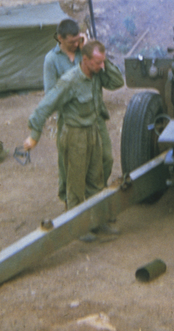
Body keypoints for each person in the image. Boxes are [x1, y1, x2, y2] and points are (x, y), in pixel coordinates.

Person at [24, 40, 124, 241]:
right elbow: (46, 104)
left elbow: (117, 81)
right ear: (85, 60)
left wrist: (105, 63)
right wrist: (34, 135)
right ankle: (79, 227)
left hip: (93, 130)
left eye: (102, 63)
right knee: (76, 184)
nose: (101, 67)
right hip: (75, 134)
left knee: (96, 180)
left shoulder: (97, 75)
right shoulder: (70, 81)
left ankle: (98, 221)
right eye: (97, 63)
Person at [44, 19, 117, 206]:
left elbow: (116, 82)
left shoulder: (86, 52)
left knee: (105, 159)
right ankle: (74, 208)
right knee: (71, 169)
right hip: (72, 122)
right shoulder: (52, 60)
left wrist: (93, 51)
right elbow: (51, 95)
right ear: (60, 39)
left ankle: (94, 201)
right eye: (71, 42)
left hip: (95, 119)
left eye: (78, 40)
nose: (76, 45)